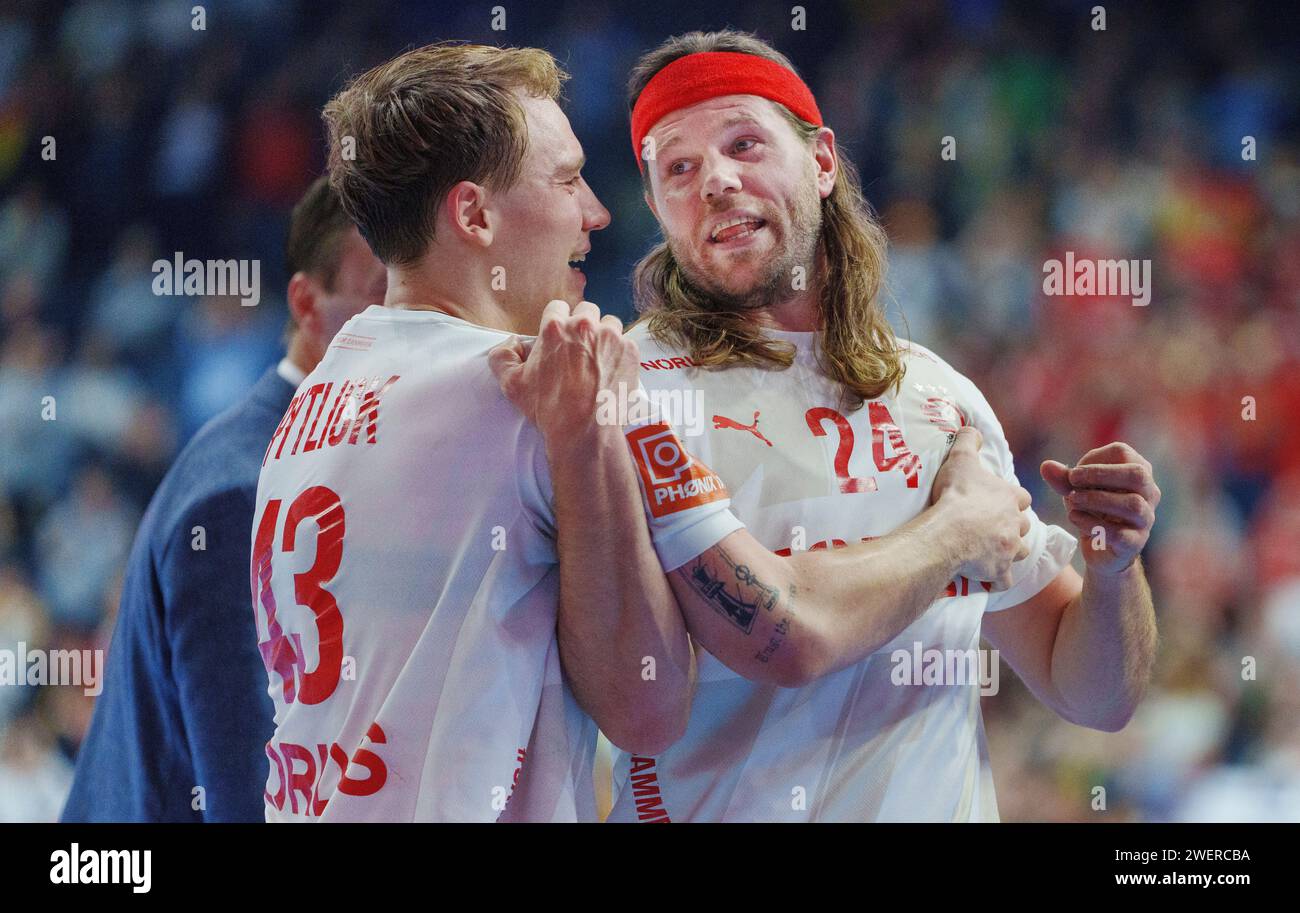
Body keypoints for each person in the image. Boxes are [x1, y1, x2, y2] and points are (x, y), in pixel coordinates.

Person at [260, 41, 1031, 822]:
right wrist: (959, 527)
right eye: (566, 180)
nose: (596, 211)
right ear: (473, 214)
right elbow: (650, 704)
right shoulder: (536, 394)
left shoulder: (310, 403)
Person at [590, 30, 1161, 822]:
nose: (715, 180)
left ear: (822, 161)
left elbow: (1094, 694)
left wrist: (1112, 571)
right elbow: (783, 636)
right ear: (655, 209)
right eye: (677, 169)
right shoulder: (629, 390)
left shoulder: (941, 399)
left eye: (744, 143)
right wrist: (957, 528)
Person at [62, 176, 386, 822]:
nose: (415, 331)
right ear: (306, 303)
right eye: (383, 300)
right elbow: (247, 799)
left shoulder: (305, 466)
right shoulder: (243, 491)